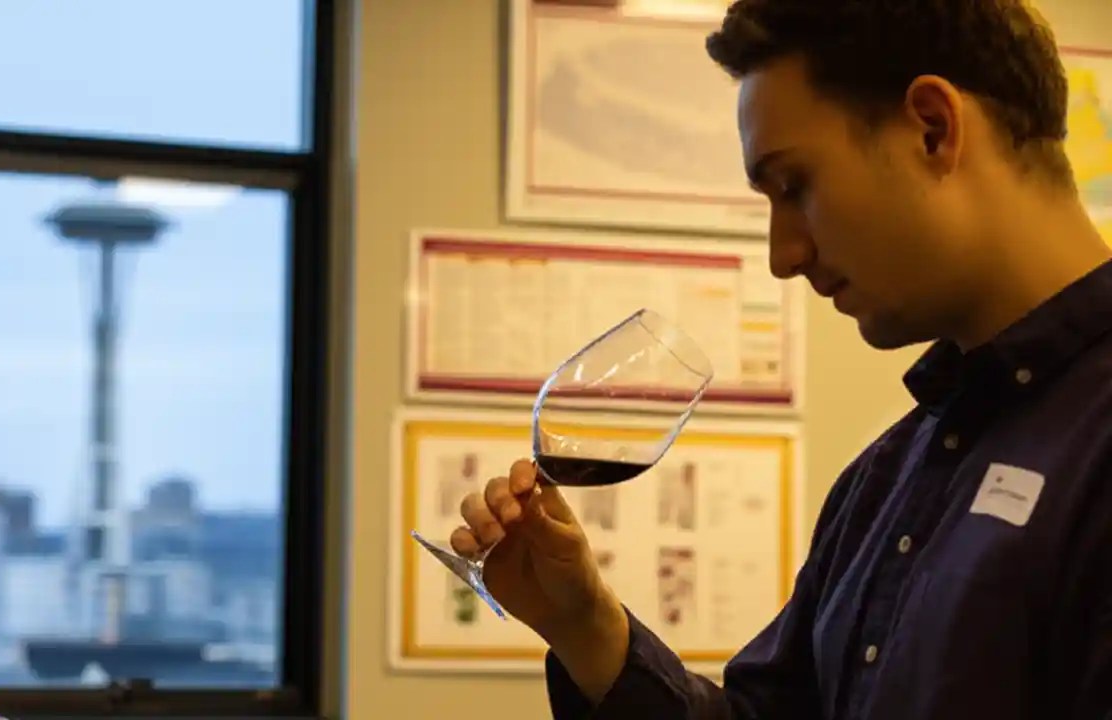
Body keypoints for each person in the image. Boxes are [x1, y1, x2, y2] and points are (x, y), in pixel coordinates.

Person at [448, 1, 1112, 718]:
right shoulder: (892, 472)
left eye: (795, 186)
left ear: (933, 128)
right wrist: (589, 629)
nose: (782, 256)